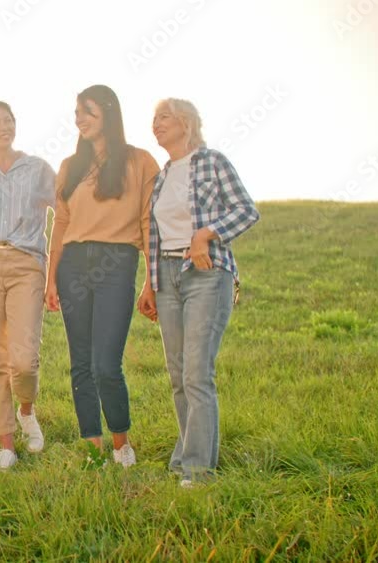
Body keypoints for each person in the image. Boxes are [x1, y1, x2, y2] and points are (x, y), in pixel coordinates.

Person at [137, 98, 260, 488]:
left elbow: (246, 209)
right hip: (167, 275)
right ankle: (190, 458)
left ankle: (196, 469)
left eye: (165, 117)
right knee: (177, 374)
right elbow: (154, 236)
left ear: (187, 123)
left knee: (196, 372)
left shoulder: (212, 162)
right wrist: (150, 284)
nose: (156, 124)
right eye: (154, 119)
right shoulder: (160, 177)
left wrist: (206, 234)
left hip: (205, 274)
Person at [45, 85, 160, 467]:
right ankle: (93, 447)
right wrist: (50, 280)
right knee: (80, 361)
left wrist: (150, 281)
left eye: (88, 111)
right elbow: (60, 225)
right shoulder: (69, 167)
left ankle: (121, 444)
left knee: (106, 363)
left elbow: (148, 223)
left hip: (117, 262)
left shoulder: (140, 161)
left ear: (109, 113)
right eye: (77, 112)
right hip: (73, 263)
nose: (79, 119)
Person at [0, 101, 56, 469]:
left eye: (8, 120)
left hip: (26, 263)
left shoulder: (37, 169)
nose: (4, 126)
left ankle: (27, 411)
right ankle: (6, 444)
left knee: (24, 359)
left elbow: (66, 210)